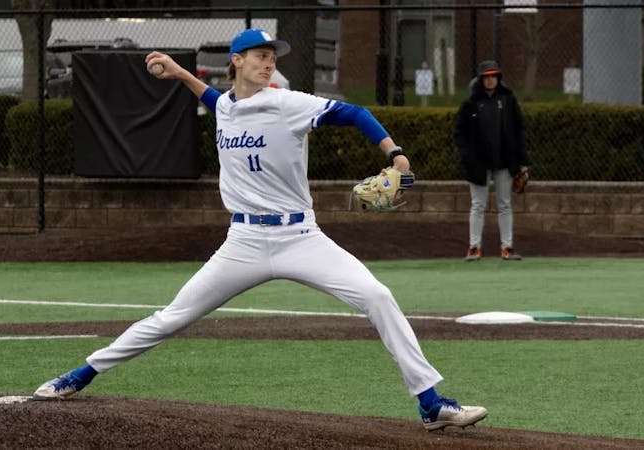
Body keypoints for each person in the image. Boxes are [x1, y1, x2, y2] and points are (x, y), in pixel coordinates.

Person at [32, 28, 487, 432]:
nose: (269, 63)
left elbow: (354, 114)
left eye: (272, 57)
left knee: (377, 296)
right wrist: (178, 73)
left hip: (300, 238)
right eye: (260, 56)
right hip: (244, 242)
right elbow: (216, 101)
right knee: (171, 317)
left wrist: (395, 153)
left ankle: (430, 403)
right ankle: (80, 375)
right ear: (237, 62)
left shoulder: (289, 104)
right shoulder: (226, 106)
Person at [454, 60, 530, 262]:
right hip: (478, 163)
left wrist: (523, 161)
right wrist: (466, 157)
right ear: (481, 79)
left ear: (498, 78)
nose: (490, 80)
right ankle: (474, 248)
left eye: (493, 76)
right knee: (478, 205)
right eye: (486, 77)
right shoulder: (470, 103)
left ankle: (507, 248)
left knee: (505, 204)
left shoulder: (507, 100)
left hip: (505, 161)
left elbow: (519, 129)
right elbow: (459, 133)